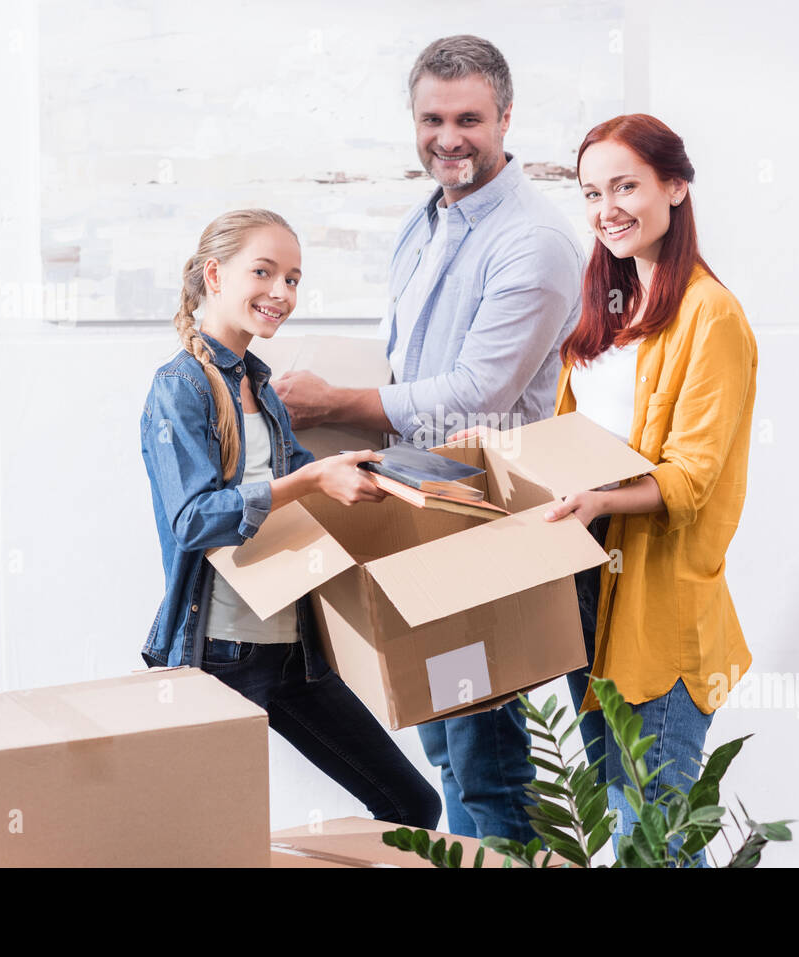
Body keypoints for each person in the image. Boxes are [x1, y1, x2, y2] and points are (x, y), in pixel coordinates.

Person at [272, 36, 585, 843]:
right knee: (444, 734)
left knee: (483, 750)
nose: (449, 137)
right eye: (432, 118)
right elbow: (412, 363)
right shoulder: (428, 218)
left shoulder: (534, 241)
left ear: (506, 118)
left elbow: (476, 395)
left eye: (469, 119)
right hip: (414, 509)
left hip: (476, 524)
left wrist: (334, 401)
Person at [139, 208, 441, 830]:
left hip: (291, 651)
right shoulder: (180, 388)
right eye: (265, 272)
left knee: (412, 805)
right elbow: (192, 521)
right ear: (215, 275)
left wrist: (432, 461)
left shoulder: (264, 389)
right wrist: (306, 480)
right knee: (216, 839)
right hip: (219, 657)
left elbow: (317, 482)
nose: (282, 293)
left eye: (294, 279)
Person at [542, 114, 758, 866]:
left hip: (659, 614)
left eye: (626, 185)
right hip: (587, 601)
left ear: (675, 185)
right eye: (593, 192)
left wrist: (599, 499)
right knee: (624, 829)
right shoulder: (605, 312)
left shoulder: (711, 316)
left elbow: (692, 479)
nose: (608, 208)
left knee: (656, 841)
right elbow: (566, 437)